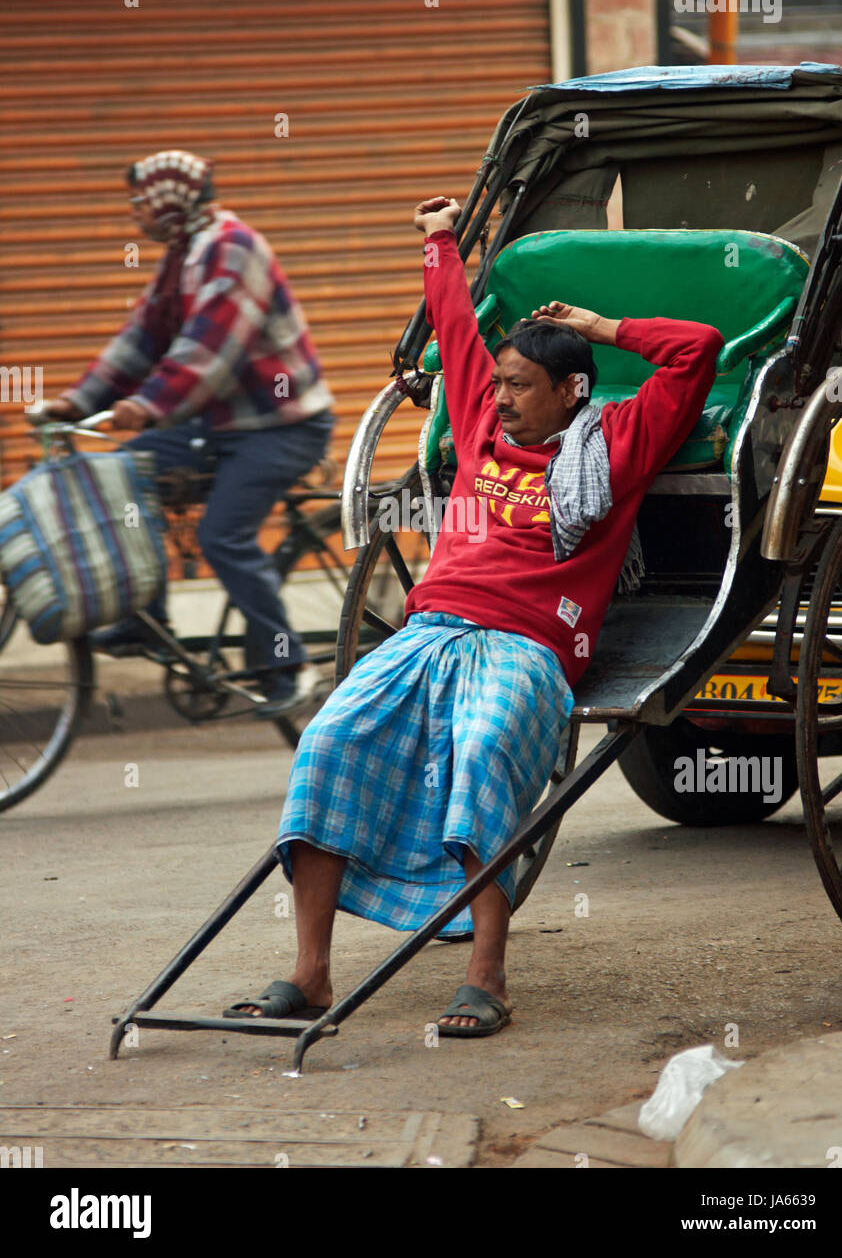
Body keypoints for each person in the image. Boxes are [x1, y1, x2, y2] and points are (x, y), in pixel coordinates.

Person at [223, 195, 723, 1034]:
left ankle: (486, 972)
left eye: (522, 385)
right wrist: (439, 241)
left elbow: (696, 351)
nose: (503, 397)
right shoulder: (484, 426)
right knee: (329, 741)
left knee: (486, 749)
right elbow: (456, 333)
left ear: (573, 391)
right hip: (432, 629)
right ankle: (311, 974)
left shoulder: (618, 443)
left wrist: (602, 326)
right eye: (499, 384)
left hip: (530, 646)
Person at [43, 150, 334, 715]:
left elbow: (209, 351)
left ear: (171, 201)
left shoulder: (233, 248)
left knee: (223, 535)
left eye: (140, 203)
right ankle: (145, 621)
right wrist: (76, 401)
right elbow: (141, 337)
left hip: (283, 426)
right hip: (218, 423)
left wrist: (147, 407)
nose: (135, 215)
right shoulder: (182, 255)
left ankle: (286, 665)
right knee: (125, 472)